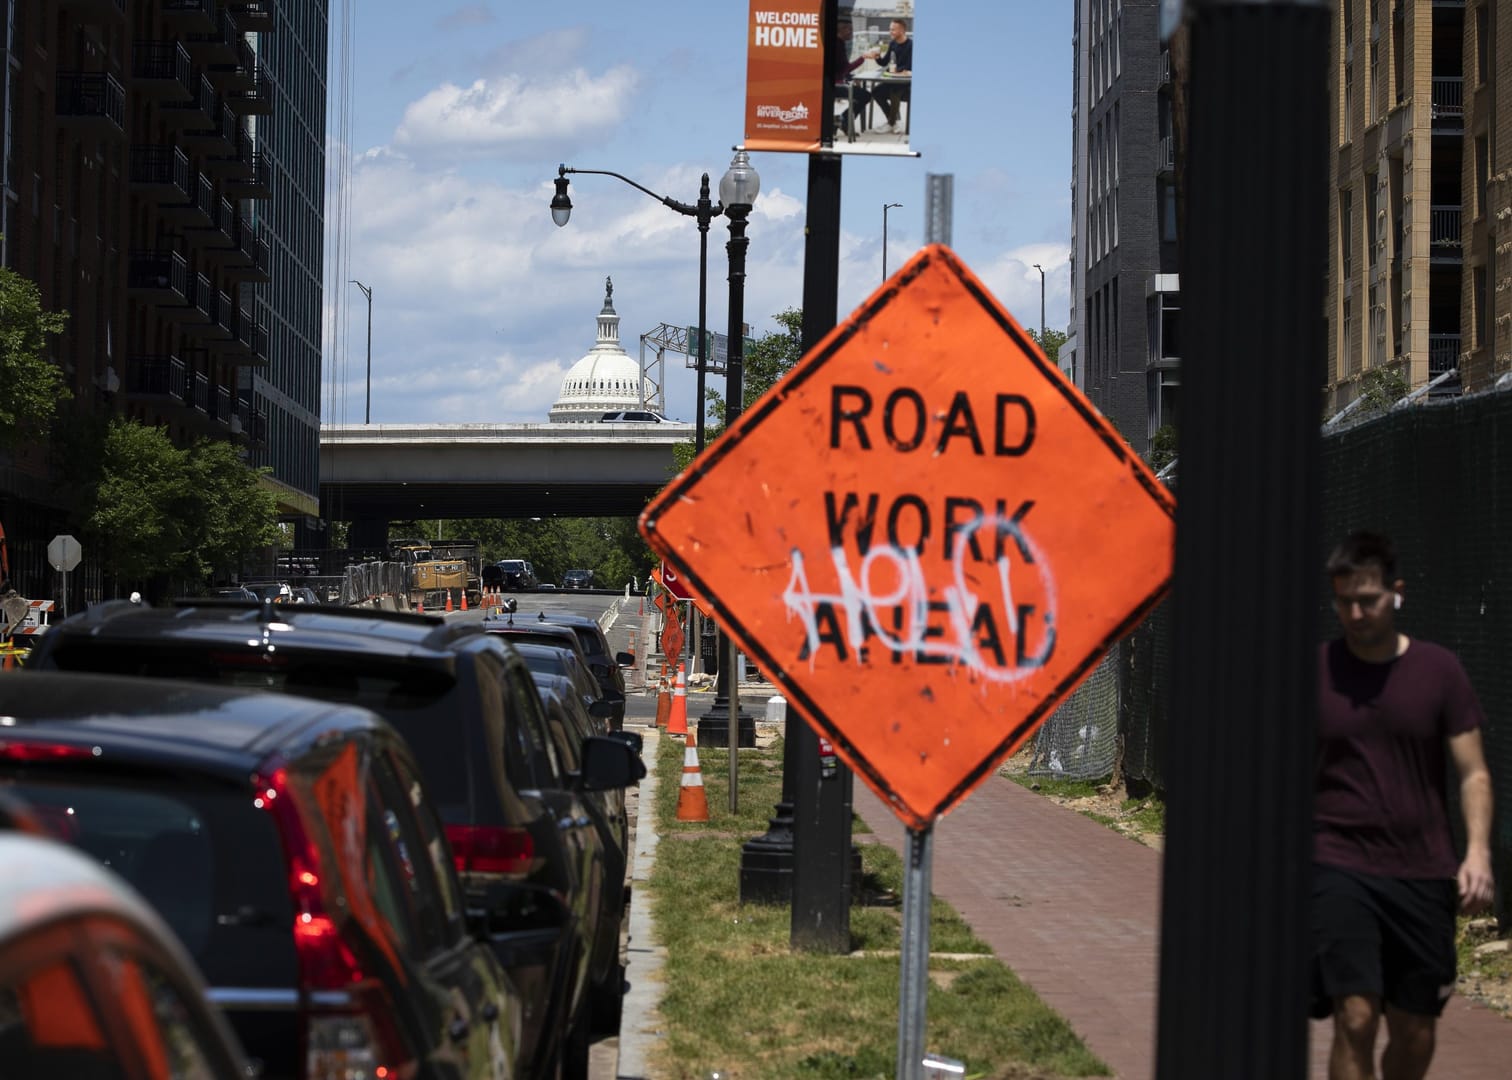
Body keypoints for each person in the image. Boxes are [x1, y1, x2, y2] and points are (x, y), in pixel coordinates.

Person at [1312, 530, 1495, 1080]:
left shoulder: (1440, 672)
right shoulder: (1316, 672)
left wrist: (1479, 854)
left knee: (1414, 1033)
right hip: (1339, 863)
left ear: (1396, 592)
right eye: (1344, 600)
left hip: (1423, 869)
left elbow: (1473, 773)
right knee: (1356, 1014)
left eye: (1367, 599)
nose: (1355, 612)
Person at [862, 18, 913, 133]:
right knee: (876, 92)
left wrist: (894, 72)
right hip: (893, 80)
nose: (890, 32)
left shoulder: (911, 45)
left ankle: (891, 123)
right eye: (890, 29)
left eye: (893, 30)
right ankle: (894, 121)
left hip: (905, 83)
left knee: (895, 90)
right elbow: (884, 62)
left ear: (902, 31)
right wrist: (877, 57)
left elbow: (909, 68)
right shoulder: (893, 44)